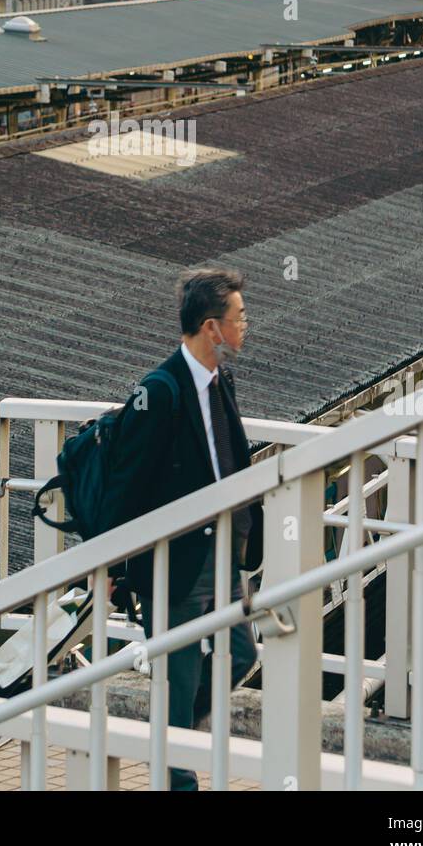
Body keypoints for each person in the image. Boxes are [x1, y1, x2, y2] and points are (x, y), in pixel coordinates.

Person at [100, 268, 262, 791]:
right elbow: (127, 485)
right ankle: (177, 775)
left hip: (220, 554)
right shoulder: (160, 391)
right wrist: (111, 568)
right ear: (213, 328)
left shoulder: (221, 379)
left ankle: (173, 736)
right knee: (181, 675)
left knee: (242, 654)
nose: (247, 325)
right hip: (175, 562)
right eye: (239, 317)